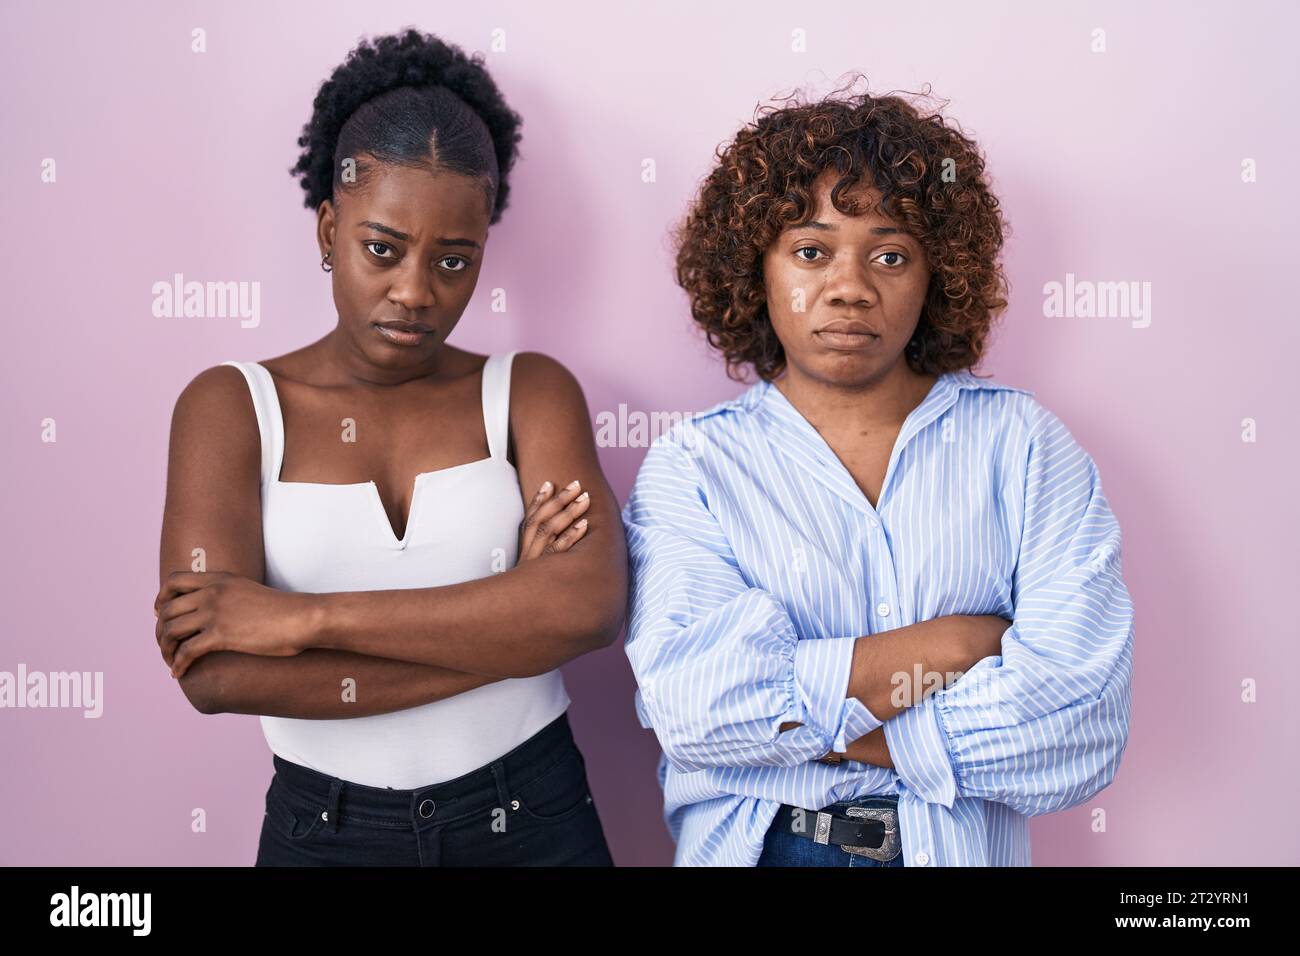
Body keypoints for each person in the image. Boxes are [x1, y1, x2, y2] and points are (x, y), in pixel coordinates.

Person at [622, 79, 1135, 866]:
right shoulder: (695, 466)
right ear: (756, 268)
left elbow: (1078, 724)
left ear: (939, 274)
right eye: (810, 250)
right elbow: (696, 709)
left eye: (891, 254)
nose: (852, 287)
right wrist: (958, 644)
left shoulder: (1024, 447)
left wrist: (817, 729)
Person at [154, 29, 625, 866]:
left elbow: (587, 607)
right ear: (329, 229)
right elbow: (216, 673)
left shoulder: (529, 392)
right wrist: (512, 624)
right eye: (382, 249)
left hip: (534, 815)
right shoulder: (230, 406)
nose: (415, 292)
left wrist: (305, 620)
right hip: (323, 833)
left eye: (454, 260)